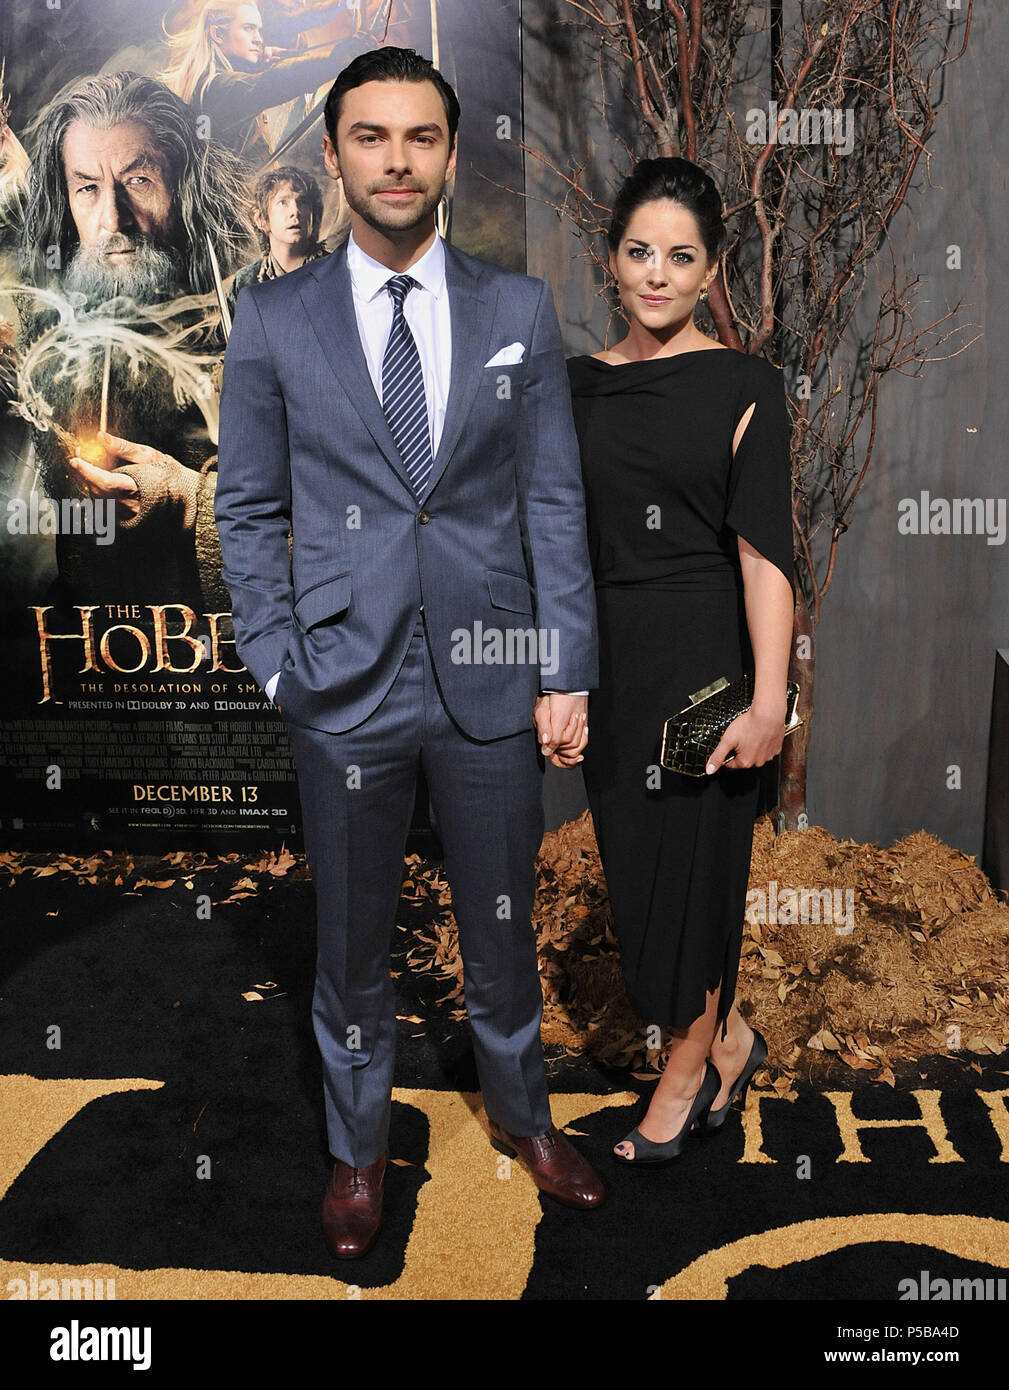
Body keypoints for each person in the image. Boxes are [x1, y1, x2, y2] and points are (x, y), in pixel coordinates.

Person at [214, 46, 605, 1259]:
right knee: (351, 943)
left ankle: (524, 1116)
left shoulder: (516, 310)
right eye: (370, 137)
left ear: (448, 151)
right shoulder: (271, 319)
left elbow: (553, 501)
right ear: (331, 155)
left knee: (500, 925)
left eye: (419, 136)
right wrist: (278, 660)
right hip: (341, 683)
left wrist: (565, 665)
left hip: (490, 673)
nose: (396, 159)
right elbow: (249, 511)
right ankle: (355, 1152)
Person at [565, 157, 795, 1164]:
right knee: (635, 881)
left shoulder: (745, 384)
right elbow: (553, 541)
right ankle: (728, 1038)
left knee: (694, 882)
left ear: (709, 273)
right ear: (612, 261)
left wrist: (767, 702)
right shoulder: (569, 388)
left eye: (681, 257)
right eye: (638, 251)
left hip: (708, 665)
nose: (656, 274)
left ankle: (683, 1070)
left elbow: (763, 558)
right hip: (612, 662)